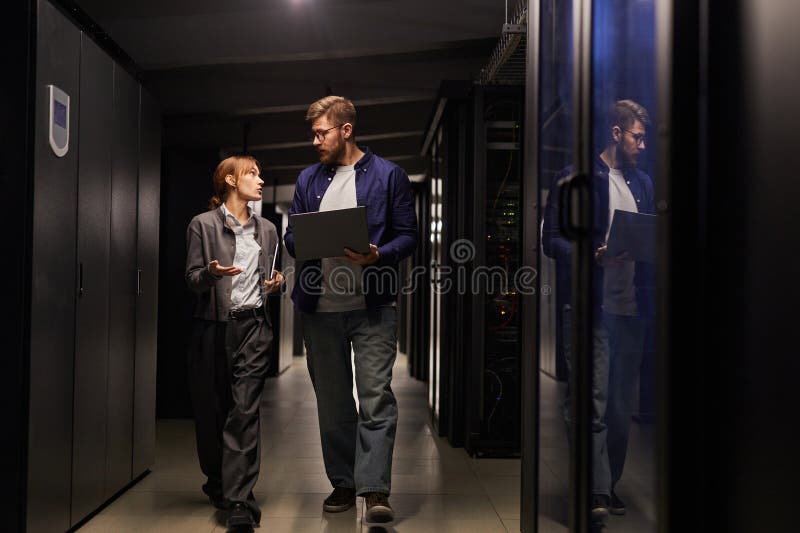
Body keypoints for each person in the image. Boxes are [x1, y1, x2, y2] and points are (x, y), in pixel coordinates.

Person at [283, 95, 418, 524]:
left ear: (346, 130)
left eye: (322, 132)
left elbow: (409, 237)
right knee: (334, 403)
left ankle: (375, 490)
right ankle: (343, 483)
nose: (316, 141)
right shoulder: (308, 179)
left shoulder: (389, 176)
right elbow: (291, 239)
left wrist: (378, 254)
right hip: (319, 306)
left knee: (377, 397)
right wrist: (304, 240)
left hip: (373, 305)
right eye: (313, 134)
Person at [542, 99, 656, 524]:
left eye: (644, 138)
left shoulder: (642, 183)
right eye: (636, 137)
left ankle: (606, 484)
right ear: (615, 133)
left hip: (630, 309)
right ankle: (595, 489)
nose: (642, 145)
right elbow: (551, 240)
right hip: (590, 306)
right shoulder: (573, 178)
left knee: (620, 407)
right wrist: (593, 255)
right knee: (592, 401)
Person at [185, 155, 285, 532]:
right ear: (230, 179)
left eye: (260, 173)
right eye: (252, 174)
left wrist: (278, 284)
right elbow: (193, 279)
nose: (260, 180)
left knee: (244, 411)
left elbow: (278, 275)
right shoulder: (202, 225)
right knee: (212, 413)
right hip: (213, 328)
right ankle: (218, 481)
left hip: (255, 328)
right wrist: (211, 273)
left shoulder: (269, 230)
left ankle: (240, 501)